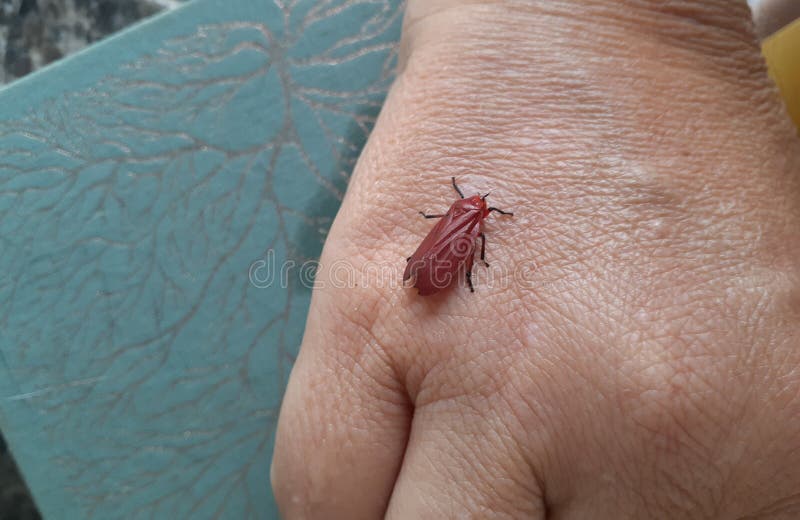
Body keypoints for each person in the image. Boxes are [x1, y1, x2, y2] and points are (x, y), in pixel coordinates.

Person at [271, 0, 800, 517]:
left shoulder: (470, 217)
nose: (477, 206)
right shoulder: (469, 215)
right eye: (475, 202)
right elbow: (457, 231)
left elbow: (460, 236)